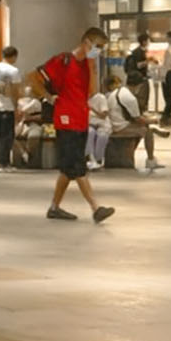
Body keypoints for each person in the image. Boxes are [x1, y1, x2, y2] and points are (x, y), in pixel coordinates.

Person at [36, 28, 116, 223]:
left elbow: (92, 92)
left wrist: (92, 67)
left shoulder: (86, 66)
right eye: (97, 46)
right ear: (86, 43)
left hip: (80, 120)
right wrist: (49, 97)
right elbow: (35, 78)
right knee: (78, 167)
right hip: (66, 121)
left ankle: (54, 207)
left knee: (68, 169)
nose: (99, 51)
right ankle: (96, 208)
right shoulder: (63, 61)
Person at [110, 73, 164, 172]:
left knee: (146, 126)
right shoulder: (131, 98)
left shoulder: (118, 91)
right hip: (119, 127)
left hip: (114, 123)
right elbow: (139, 119)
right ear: (139, 86)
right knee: (147, 131)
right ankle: (150, 160)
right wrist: (154, 120)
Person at [87, 77, 114, 170]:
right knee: (89, 133)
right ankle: (91, 159)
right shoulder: (80, 98)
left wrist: (91, 108)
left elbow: (103, 115)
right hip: (89, 124)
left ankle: (98, 159)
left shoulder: (100, 97)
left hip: (102, 123)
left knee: (102, 136)